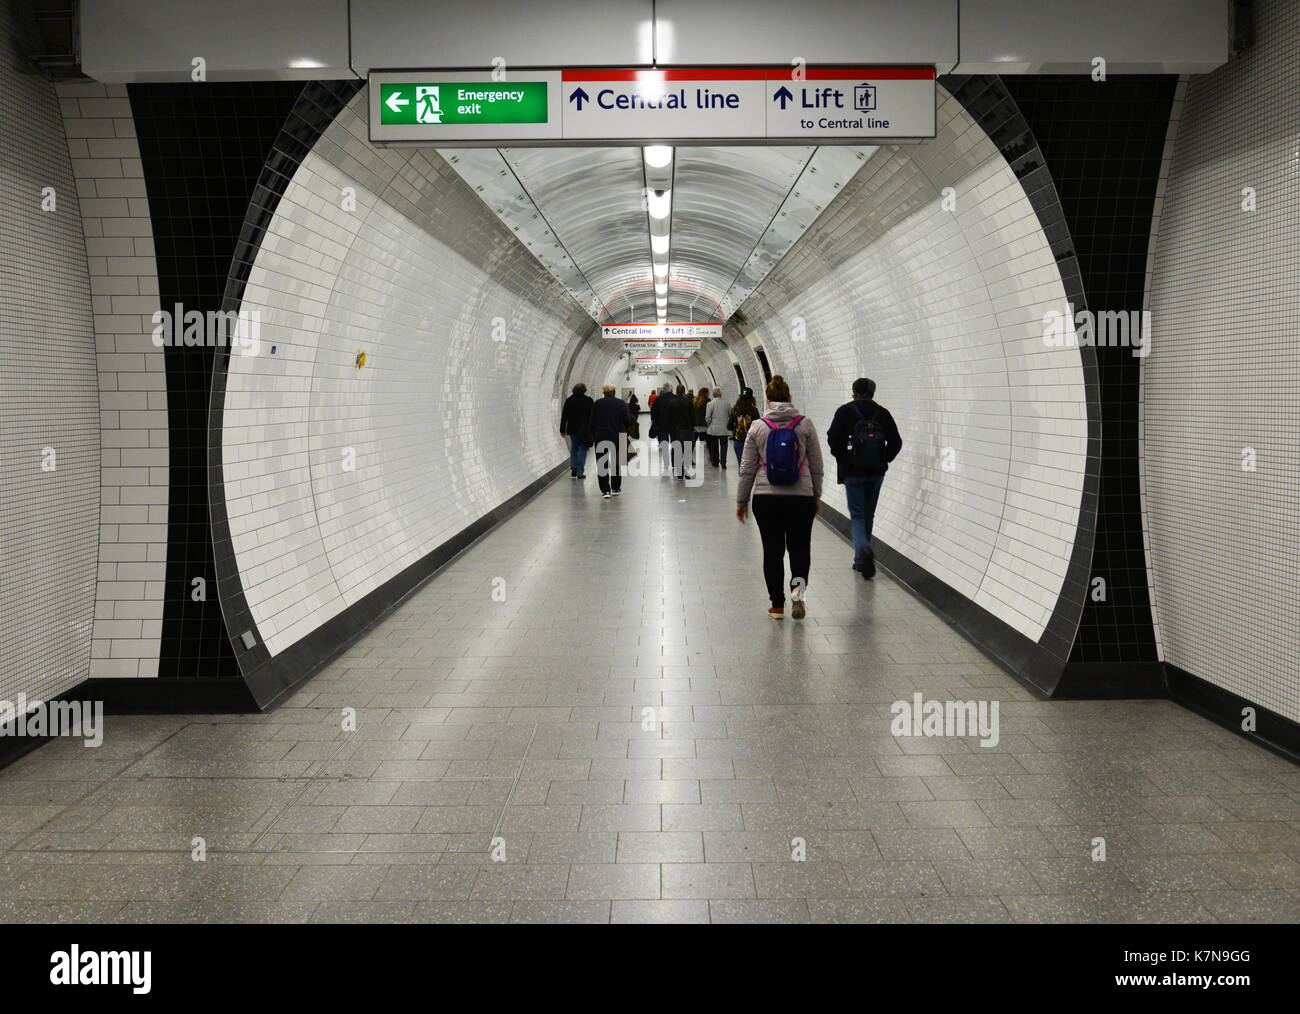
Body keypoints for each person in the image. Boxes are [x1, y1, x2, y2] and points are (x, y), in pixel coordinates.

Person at [736, 375, 824, 621]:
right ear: (790, 398)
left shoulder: (757, 426)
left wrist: (741, 501)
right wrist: (816, 494)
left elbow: (747, 469)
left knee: (772, 552)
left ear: (767, 400)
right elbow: (816, 466)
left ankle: (777, 606)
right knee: (799, 550)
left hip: (766, 499)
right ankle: (797, 596)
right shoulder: (805, 424)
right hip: (801, 499)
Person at [826, 377, 902, 579]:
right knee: (869, 514)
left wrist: (844, 459)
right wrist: (884, 460)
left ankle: (863, 550)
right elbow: (896, 441)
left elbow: (833, 438)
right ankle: (861, 557)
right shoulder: (882, 413)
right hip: (876, 473)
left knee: (857, 515)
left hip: (853, 472)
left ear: (855, 392)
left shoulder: (845, 411)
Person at [589, 383, 632, 499]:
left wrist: (593, 436)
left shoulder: (597, 404)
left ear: (603, 393)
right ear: (614, 392)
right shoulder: (621, 403)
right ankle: (616, 487)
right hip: (618, 436)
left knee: (602, 463)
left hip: (601, 436)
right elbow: (628, 420)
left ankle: (605, 490)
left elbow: (592, 422)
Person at [559, 382, 593, 478]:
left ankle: (573, 467)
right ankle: (580, 472)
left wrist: (562, 429)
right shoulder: (589, 401)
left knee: (574, 448)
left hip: (572, 429)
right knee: (583, 449)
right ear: (584, 390)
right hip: (584, 430)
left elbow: (564, 416)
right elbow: (592, 416)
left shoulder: (569, 400)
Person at [669, 383, 696, 479]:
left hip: (676, 430)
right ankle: (687, 472)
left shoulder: (672, 402)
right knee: (687, 451)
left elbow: (670, 417)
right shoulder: (689, 402)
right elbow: (693, 416)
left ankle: (680, 474)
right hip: (687, 429)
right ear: (684, 392)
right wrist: (692, 427)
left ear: (676, 392)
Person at [727, 388, 759, 470]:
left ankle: (742, 481)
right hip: (751, 441)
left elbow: (729, 426)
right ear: (752, 399)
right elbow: (758, 426)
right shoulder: (754, 411)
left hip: (738, 440)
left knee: (741, 465)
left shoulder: (734, 410)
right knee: (750, 465)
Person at [649, 382, 674, 474]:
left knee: (664, 445)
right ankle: (674, 463)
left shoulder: (658, 399)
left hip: (662, 426)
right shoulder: (674, 398)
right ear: (671, 389)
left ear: (663, 390)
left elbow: (653, 414)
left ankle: (666, 463)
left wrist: (655, 423)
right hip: (673, 426)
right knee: (675, 444)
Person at [704, 386, 729, 467]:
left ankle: (715, 462)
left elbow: (707, 417)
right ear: (720, 394)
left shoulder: (710, 404)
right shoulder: (727, 403)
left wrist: (709, 425)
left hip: (713, 428)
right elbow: (730, 415)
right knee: (724, 446)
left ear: (713, 395)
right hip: (724, 428)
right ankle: (723, 462)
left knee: (714, 446)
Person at [693, 387, 710, 465]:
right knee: (709, 443)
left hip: (695, 424)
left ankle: (689, 458)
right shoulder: (708, 402)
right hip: (704, 425)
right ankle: (711, 457)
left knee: (692, 443)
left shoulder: (694, 401)